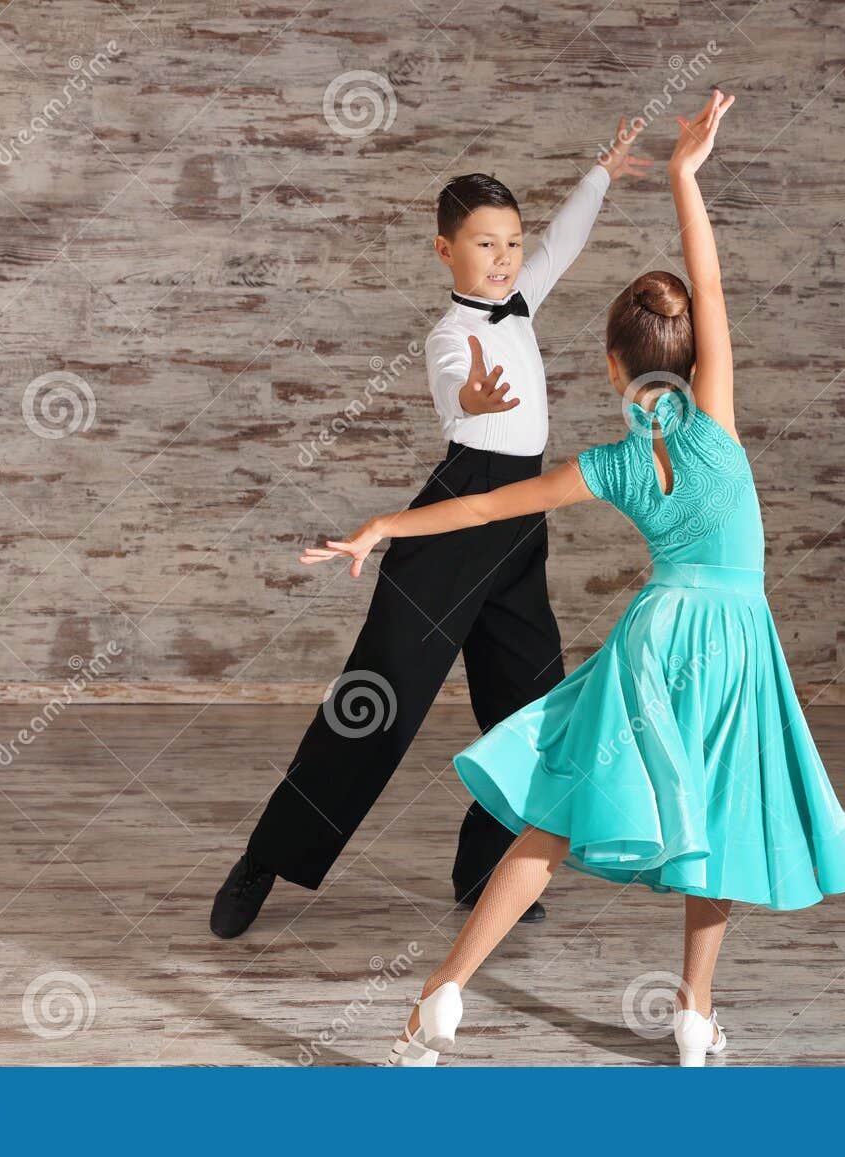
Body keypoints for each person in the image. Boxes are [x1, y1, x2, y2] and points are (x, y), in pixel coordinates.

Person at [299, 90, 845, 1067]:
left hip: (654, 638)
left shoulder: (607, 465)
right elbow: (712, 283)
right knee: (716, 818)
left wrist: (385, 522)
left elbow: (484, 506)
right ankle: (693, 1014)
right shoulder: (716, 422)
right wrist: (686, 175)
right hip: (735, 640)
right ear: (690, 360)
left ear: (612, 370)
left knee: (553, 812)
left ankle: (439, 994)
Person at [209, 117, 652, 940]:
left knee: (532, 706)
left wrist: (599, 173)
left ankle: (484, 866)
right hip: (455, 515)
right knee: (376, 701)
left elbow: (565, 241)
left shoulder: (522, 299)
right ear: (446, 251)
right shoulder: (449, 336)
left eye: (511, 242)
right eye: (486, 245)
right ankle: (266, 856)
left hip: (520, 517)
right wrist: (472, 404)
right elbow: (456, 390)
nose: (506, 257)